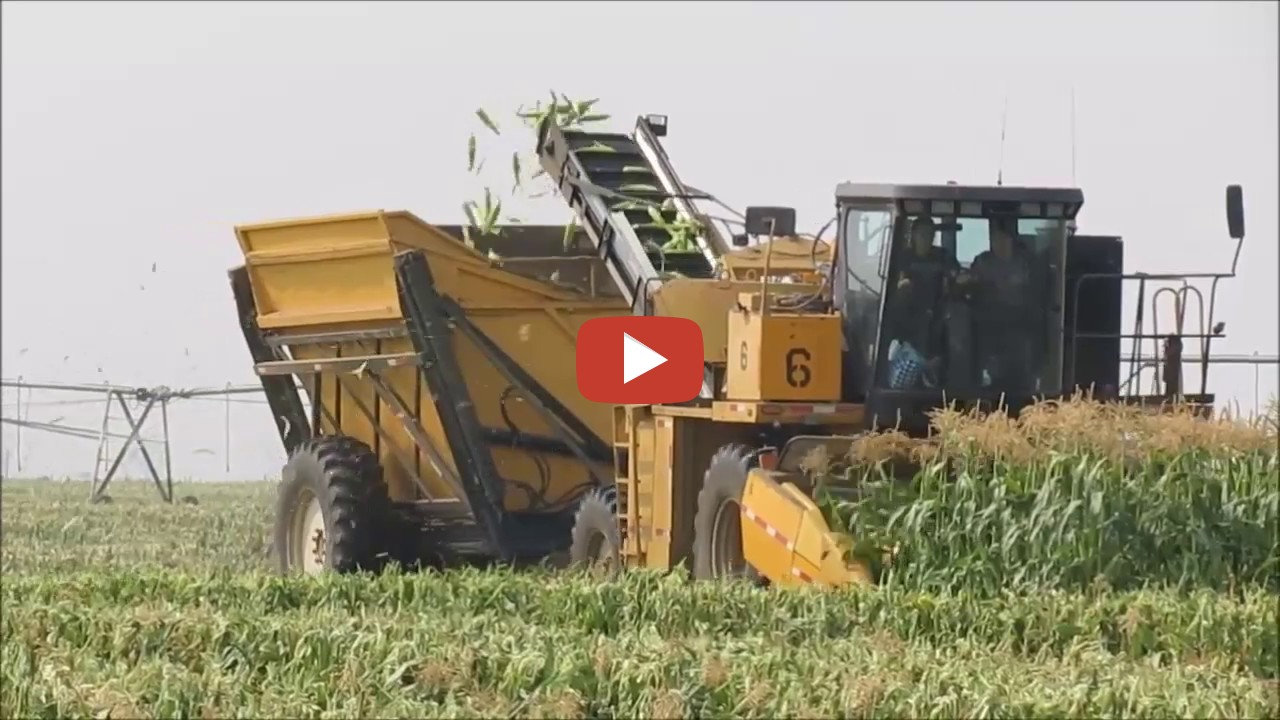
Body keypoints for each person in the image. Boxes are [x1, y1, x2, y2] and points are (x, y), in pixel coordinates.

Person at [969, 221, 1040, 392]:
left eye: (1003, 239)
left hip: (1019, 323)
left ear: (1011, 241)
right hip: (987, 322)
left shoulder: (1025, 263)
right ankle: (981, 382)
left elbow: (1038, 292)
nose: (998, 244)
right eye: (995, 240)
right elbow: (970, 282)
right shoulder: (983, 262)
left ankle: (1027, 384)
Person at [888, 216, 958, 384]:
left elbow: (956, 276)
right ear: (913, 235)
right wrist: (901, 286)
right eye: (922, 234)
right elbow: (892, 285)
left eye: (930, 234)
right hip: (907, 313)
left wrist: (959, 279)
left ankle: (944, 376)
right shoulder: (902, 258)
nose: (926, 238)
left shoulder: (943, 256)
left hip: (939, 311)